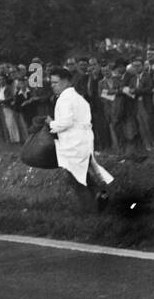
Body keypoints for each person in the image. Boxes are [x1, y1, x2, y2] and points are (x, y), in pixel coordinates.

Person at [46, 66, 113, 212]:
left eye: (55, 82)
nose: (52, 86)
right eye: (51, 83)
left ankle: (90, 209)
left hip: (73, 143)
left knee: (75, 178)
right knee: (83, 174)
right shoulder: (78, 98)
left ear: (66, 82)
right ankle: (99, 196)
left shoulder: (64, 99)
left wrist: (50, 122)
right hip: (85, 140)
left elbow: (66, 123)